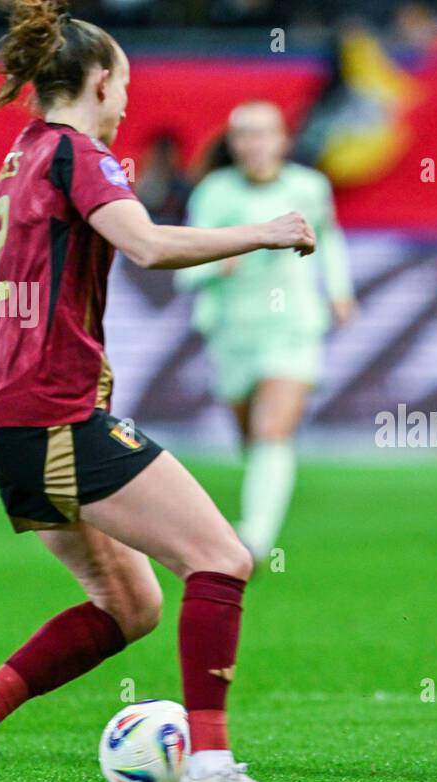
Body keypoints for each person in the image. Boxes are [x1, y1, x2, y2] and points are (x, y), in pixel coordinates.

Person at [0, 0, 318, 782]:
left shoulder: (18, 159)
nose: (128, 101)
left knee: (132, 605)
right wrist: (265, 231)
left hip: (4, 421)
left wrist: (0, 393)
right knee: (222, 558)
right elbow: (148, 246)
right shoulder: (78, 153)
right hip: (56, 416)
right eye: (125, 83)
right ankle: (211, 766)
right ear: (100, 81)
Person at [176, 101, 356, 565]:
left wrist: (338, 290)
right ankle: (257, 516)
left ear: (282, 139)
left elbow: (330, 238)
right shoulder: (214, 194)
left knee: (272, 427)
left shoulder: (308, 187)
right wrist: (218, 264)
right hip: (232, 332)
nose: (254, 145)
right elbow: (182, 265)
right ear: (232, 144)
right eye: (244, 135)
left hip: (293, 325)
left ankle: (253, 541)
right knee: (253, 436)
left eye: (263, 134)